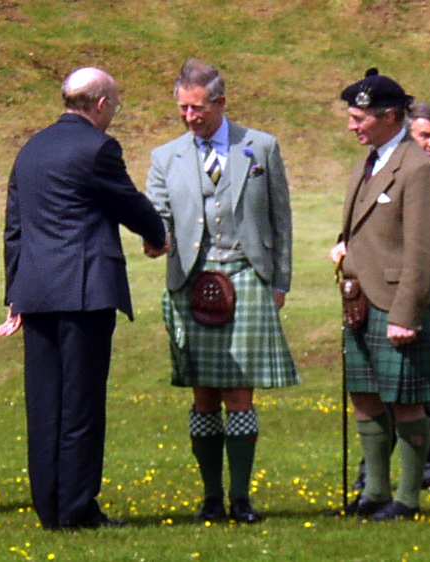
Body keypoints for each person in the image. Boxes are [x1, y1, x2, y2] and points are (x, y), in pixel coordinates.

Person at [0, 67, 166, 530]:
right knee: (82, 404)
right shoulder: (98, 148)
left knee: (44, 404)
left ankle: (49, 504)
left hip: (37, 293)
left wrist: (15, 292)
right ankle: (77, 507)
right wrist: (156, 234)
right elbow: (126, 201)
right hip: (85, 292)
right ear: (99, 105)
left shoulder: (30, 149)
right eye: (115, 103)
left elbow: (14, 227)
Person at [144, 59, 298, 524]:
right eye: (183, 109)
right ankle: (210, 497)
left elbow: (281, 219)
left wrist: (280, 282)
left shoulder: (261, 147)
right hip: (190, 280)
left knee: (240, 394)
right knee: (204, 394)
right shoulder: (164, 157)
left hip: (247, 275)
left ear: (221, 103)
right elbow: (158, 212)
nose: (190, 117)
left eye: (198, 108)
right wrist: (156, 238)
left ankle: (241, 497)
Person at [329, 69, 430, 521]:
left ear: (389, 116)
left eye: (359, 118)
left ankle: (408, 498)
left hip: (394, 304)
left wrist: (406, 314)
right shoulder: (370, 161)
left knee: (405, 399)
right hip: (359, 300)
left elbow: (421, 250)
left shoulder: (416, 169)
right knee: (365, 395)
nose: (352, 126)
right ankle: (373, 492)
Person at [352, 102, 430, 492]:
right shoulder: (387, 176)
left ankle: (428, 471)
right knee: (383, 388)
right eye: (425, 135)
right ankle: (371, 476)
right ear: (408, 134)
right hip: (390, 292)